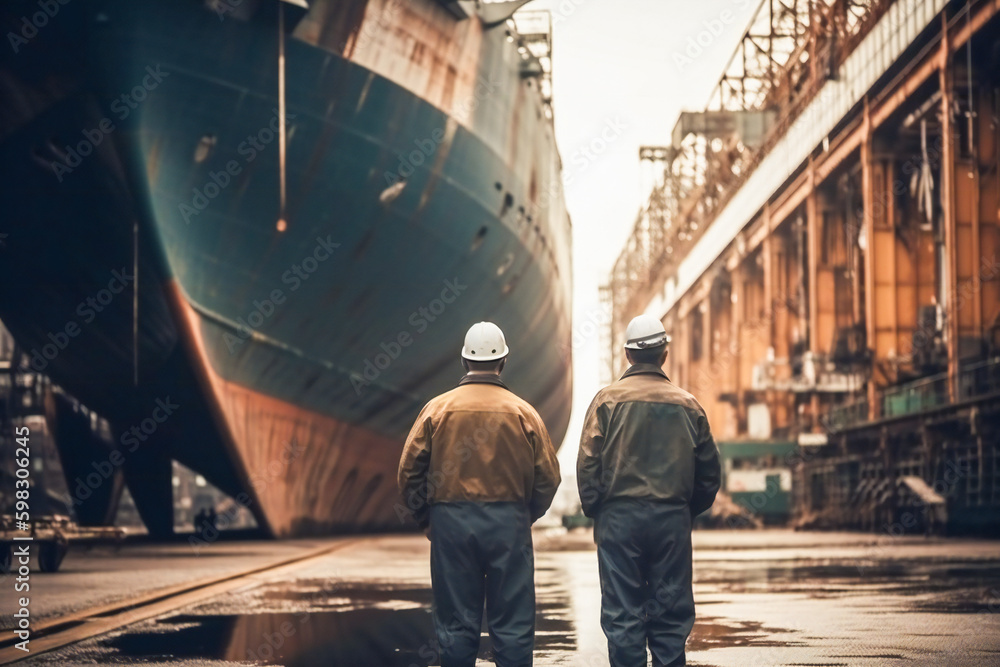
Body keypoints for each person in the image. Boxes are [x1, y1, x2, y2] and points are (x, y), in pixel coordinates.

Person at [398, 321, 561, 667]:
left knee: (456, 621)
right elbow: (548, 477)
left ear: (464, 361)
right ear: (503, 362)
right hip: (509, 524)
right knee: (513, 622)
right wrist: (523, 516)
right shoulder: (524, 412)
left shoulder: (436, 409)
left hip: (450, 523)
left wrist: (426, 518)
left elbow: (409, 471)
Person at [577, 314, 721, 667]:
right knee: (670, 615)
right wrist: (684, 509)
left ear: (628, 355)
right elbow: (709, 473)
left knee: (623, 613)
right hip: (671, 519)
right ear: (665, 353)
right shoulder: (689, 405)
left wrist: (600, 508)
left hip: (619, 520)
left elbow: (587, 464)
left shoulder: (606, 402)